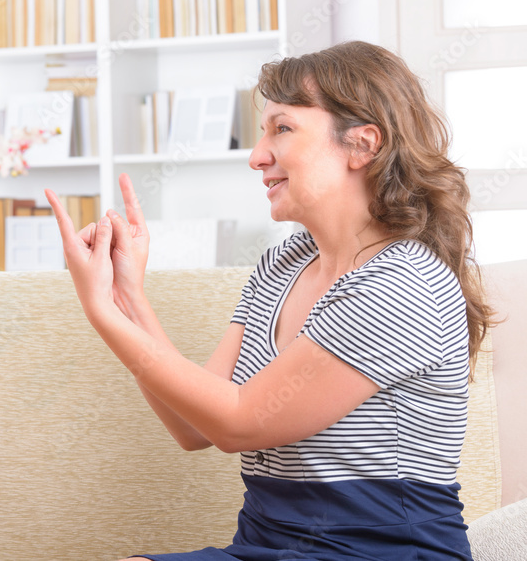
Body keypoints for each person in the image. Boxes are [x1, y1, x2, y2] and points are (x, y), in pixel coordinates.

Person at [46, 41, 493, 560]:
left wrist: (99, 311)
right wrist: (127, 297)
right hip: (267, 547)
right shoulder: (286, 263)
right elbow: (194, 426)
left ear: (362, 144)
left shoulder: (403, 283)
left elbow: (239, 423)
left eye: (281, 128)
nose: (257, 155)